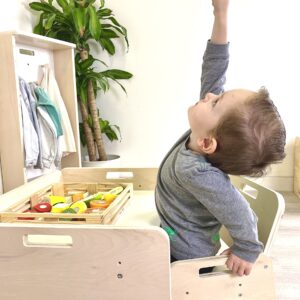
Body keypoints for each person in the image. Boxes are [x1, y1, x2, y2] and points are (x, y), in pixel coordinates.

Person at [155, 0, 286, 277]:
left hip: (184, 257)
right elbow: (214, 69)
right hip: (172, 232)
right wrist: (221, 13)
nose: (209, 95)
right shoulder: (207, 134)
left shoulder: (197, 170)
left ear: (207, 144)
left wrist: (247, 249)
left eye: (215, 102)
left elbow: (240, 211)